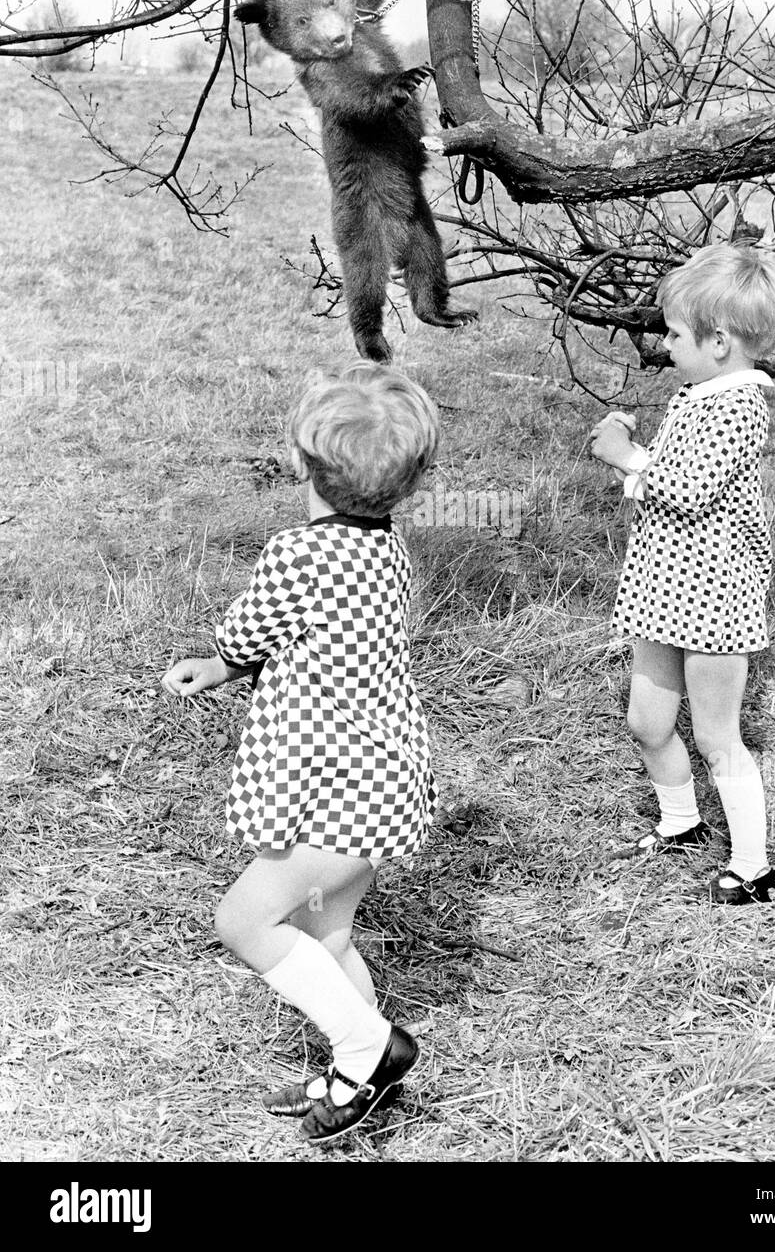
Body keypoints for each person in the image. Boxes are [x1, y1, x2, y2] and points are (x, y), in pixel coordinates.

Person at [162, 362, 439, 1141]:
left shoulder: (300, 554)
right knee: (328, 934)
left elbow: (250, 632)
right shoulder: (387, 550)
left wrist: (216, 663)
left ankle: (368, 1047)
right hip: (384, 776)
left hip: (335, 789)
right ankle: (359, 1074)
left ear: (299, 460)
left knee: (244, 921)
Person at [589, 243, 775, 904]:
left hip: (713, 599)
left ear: (720, 342)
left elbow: (687, 488)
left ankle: (754, 868)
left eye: (675, 334)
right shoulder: (700, 392)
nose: (665, 344)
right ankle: (679, 821)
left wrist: (625, 457)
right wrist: (637, 451)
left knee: (714, 734)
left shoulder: (740, 407)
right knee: (648, 723)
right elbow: (675, 475)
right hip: (660, 589)